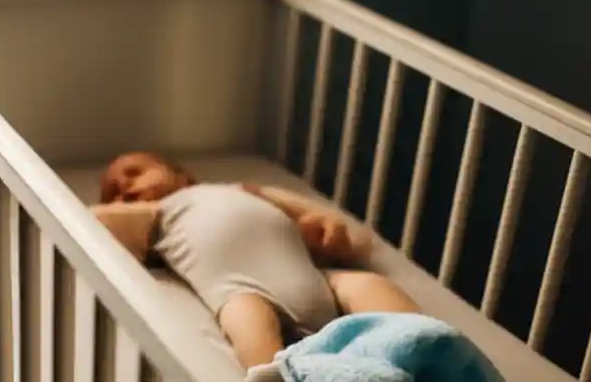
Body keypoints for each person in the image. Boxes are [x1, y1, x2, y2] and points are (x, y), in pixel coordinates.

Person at [92, 152, 420, 369]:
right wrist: (124, 211)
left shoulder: (246, 189)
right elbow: (92, 224)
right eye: (115, 193)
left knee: (369, 284)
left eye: (134, 173)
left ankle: (420, 348)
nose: (126, 189)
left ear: (183, 175)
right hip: (243, 289)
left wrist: (330, 233)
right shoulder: (155, 216)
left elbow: (356, 240)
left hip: (316, 279)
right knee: (247, 319)